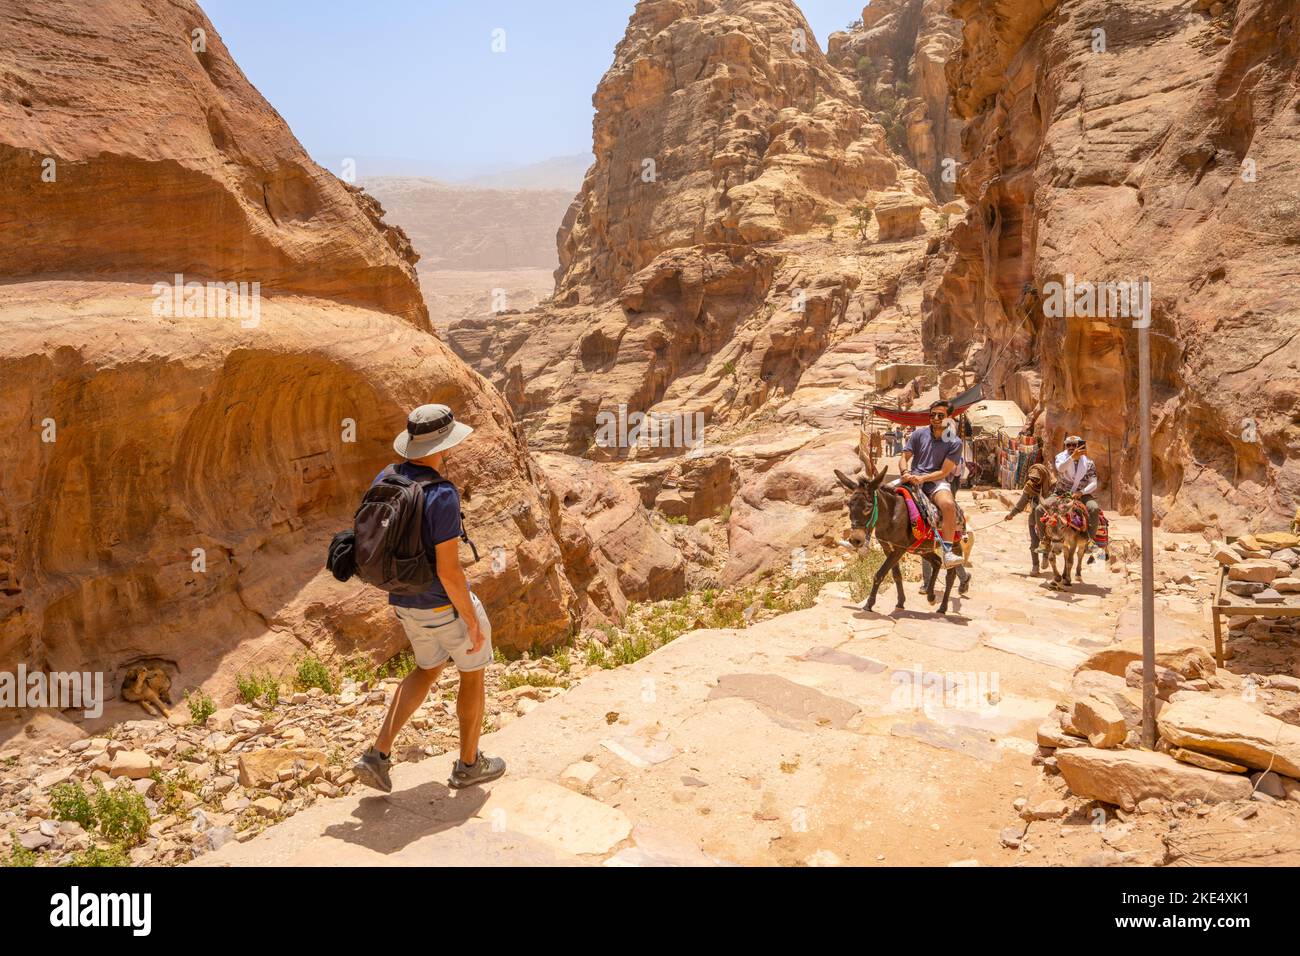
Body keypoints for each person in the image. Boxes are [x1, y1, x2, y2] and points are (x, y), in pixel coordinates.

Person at [352, 404, 506, 794]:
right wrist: (469, 618)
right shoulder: (441, 495)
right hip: (441, 604)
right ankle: (470, 765)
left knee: (428, 668)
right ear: (444, 445)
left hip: (404, 602)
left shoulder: (386, 476)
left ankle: (378, 754)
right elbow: (449, 571)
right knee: (472, 673)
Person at [899, 399, 965, 568]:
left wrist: (923, 478)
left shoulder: (954, 442)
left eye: (940, 415)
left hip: (935, 482)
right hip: (913, 478)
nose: (935, 418)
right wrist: (905, 472)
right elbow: (904, 457)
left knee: (948, 505)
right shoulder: (918, 434)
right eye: (933, 414)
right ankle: (865, 538)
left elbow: (944, 472)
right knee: (879, 496)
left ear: (949, 417)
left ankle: (948, 551)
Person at [1003, 461, 1054, 574]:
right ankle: (1035, 566)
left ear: (1043, 476)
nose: (1034, 481)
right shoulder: (1029, 486)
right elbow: (1022, 503)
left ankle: (1046, 556)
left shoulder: (1052, 486)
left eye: (1036, 479)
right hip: (1034, 519)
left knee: (1047, 540)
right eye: (1032, 478)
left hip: (1049, 519)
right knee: (1034, 543)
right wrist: (1011, 514)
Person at [1052, 435, 1101, 547]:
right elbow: (1061, 468)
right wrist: (1072, 457)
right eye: (1068, 445)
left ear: (1081, 445)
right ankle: (1044, 541)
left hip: (1081, 495)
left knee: (1093, 508)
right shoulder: (1060, 457)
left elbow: (1094, 483)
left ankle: (1090, 540)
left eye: (1075, 445)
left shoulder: (1089, 463)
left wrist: (1081, 492)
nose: (1071, 447)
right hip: (1061, 494)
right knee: (1041, 509)